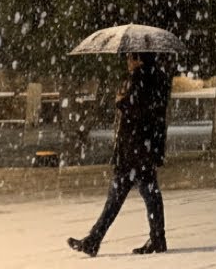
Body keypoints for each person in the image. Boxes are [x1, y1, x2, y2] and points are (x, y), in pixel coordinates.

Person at [68, 52, 171, 256]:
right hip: (143, 149)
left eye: (130, 58)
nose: (128, 62)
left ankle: (95, 240)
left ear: (139, 60)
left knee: (125, 198)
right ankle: (156, 239)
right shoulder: (157, 78)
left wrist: (121, 100)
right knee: (146, 196)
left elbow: (138, 111)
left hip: (134, 150)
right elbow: (153, 114)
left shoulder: (143, 80)